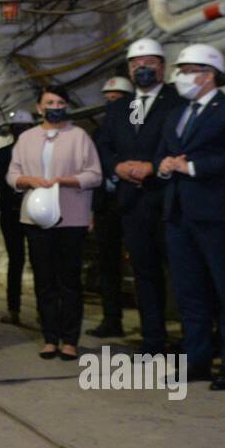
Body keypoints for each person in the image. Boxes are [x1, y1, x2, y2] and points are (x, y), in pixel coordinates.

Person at [155, 44, 225, 390]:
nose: (179, 77)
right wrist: (165, 167)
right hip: (178, 213)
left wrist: (193, 166)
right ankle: (197, 361)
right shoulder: (175, 114)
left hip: (216, 213)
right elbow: (162, 156)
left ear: (208, 74)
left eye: (185, 70)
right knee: (189, 292)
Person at [94, 39, 182, 354]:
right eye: (135, 64)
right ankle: (153, 339)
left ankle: (194, 339)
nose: (141, 68)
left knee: (183, 272)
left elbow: (185, 144)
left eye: (148, 62)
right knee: (145, 274)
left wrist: (153, 166)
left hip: (170, 201)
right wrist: (116, 166)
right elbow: (102, 148)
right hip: (133, 204)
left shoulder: (179, 101)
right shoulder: (118, 109)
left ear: (162, 66)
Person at [6, 85, 103, 360]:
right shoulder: (26, 139)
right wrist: (29, 181)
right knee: (44, 280)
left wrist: (65, 181)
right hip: (36, 218)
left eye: (61, 101)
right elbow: (12, 175)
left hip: (70, 217)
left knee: (69, 281)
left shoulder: (79, 136)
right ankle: (50, 338)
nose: (55, 106)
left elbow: (95, 175)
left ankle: (70, 340)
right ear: (39, 107)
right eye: (50, 102)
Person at [90, 77, 133, 338]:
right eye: (108, 100)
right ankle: (111, 319)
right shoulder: (100, 133)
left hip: (133, 204)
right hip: (106, 205)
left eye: (116, 99)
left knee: (145, 264)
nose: (111, 104)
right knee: (107, 264)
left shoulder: (139, 128)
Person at [0, 109, 33, 326]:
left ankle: (45, 310)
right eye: (18, 128)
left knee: (40, 261)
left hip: (35, 213)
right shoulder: (3, 154)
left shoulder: (40, 153)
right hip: (11, 212)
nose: (21, 132)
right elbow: (0, 183)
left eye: (25, 128)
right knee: (16, 261)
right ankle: (13, 309)